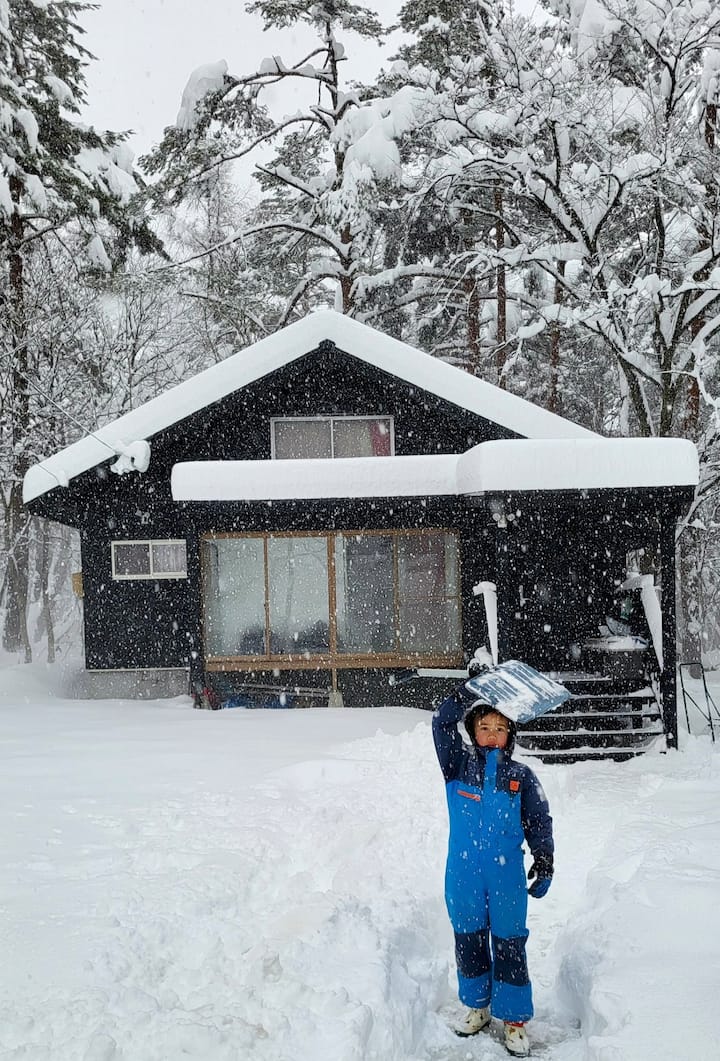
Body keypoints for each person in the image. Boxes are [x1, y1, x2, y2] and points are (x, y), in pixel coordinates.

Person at [432, 686, 554, 1058]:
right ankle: (478, 1007)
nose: (492, 734)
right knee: (468, 939)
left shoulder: (522, 776)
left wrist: (544, 858)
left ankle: (514, 1020)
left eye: (500, 728)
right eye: (484, 726)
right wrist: (465, 692)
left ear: (510, 735)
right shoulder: (457, 765)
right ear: (473, 730)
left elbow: (539, 821)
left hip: (506, 876)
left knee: (509, 942)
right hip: (464, 873)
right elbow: (440, 723)